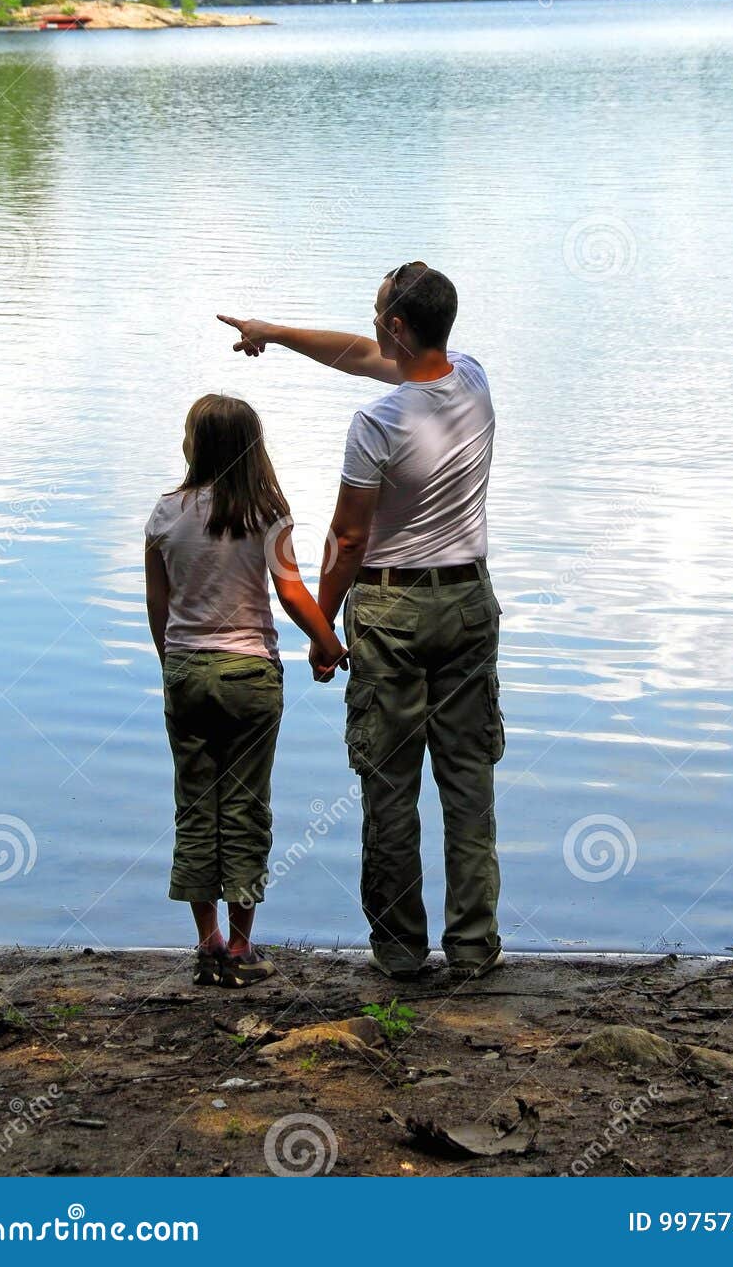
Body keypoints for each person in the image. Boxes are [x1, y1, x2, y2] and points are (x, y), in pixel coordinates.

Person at [218, 262, 503, 983]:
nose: (373, 325)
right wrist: (274, 334)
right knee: (468, 782)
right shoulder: (470, 378)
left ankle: (401, 952)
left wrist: (322, 628)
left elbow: (346, 540)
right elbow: (361, 355)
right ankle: (473, 950)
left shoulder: (377, 423)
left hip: (392, 612)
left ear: (399, 327)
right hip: (468, 602)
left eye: (379, 315)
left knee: (389, 784)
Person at [144, 393, 346, 988]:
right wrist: (328, 642)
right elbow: (290, 592)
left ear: (195, 445)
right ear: (251, 449)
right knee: (245, 806)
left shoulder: (163, 514)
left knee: (195, 804)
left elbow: (159, 606)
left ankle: (205, 943)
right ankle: (240, 948)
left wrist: (172, 663)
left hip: (186, 672)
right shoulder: (266, 512)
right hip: (251, 677)